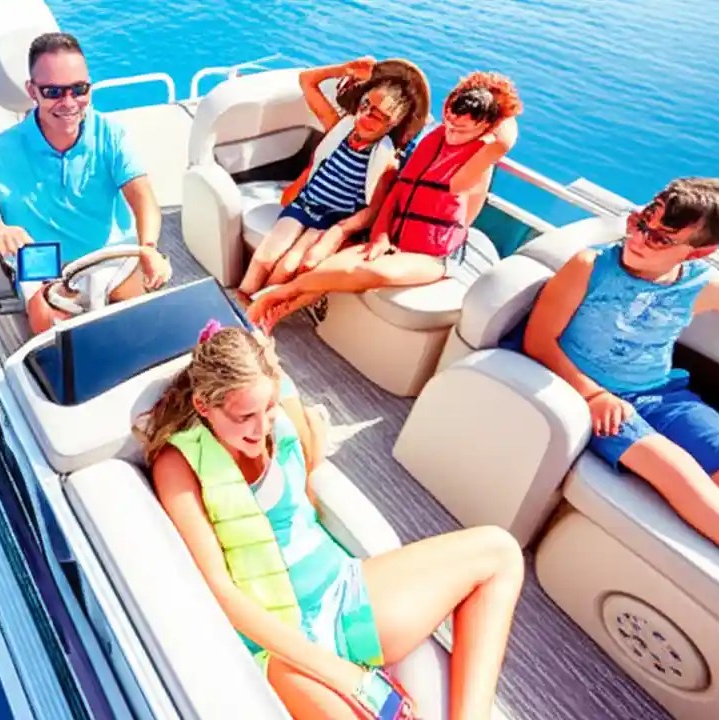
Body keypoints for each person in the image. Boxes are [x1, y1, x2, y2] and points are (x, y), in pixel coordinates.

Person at [134, 322, 524, 719]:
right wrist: (346, 677)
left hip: (342, 593)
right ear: (204, 406)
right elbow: (222, 593)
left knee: (500, 552)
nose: (261, 427)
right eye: (244, 416)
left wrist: (276, 380)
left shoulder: (280, 421)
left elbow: (306, 462)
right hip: (278, 642)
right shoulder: (178, 464)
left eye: (267, 408)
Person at [522, 177, 719, 586]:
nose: (640, 239)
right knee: (679, 472)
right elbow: (538, 340)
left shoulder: (705, 286)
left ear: (701, 251)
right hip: (593, 395)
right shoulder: (590, 268)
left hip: (665, 397)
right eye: (640, 222)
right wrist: (594, 394)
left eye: (660, 239)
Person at [0, 31, 171, 334]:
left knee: (145, 327)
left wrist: (148, 247)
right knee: (55, 337)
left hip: (111, 251)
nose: (69, 102)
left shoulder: (110, 135)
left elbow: (142, 196)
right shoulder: (0, 156)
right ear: (33, 91)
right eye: (53, 92)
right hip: (43, 262)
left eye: (78, 89)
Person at [247, 72, 522, 332]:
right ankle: (270, 315)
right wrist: (380, 236)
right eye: (449, 123)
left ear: (487, 126)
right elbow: (398, 193)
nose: (451, 133)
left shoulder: (478, 162)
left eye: (462, 131)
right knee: (326, 269)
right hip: (393, 239)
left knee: (359, 271)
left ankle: (273, 297)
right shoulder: (434, 142)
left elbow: (503, 143)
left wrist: (498, 107)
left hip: (431, 255)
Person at [237, 58, 431, 299]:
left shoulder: (386, 161)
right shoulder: (339, 129)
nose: (365, 117)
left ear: (391, 124)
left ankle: (255, 313)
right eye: (365, 105)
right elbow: (306, 81)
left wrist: (341, 231)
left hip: (331, 219)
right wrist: (344, 70)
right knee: (265, 258)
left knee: (289, 266)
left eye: (378, 116)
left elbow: (373, 209)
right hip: (303, 206)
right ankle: (240, 306)